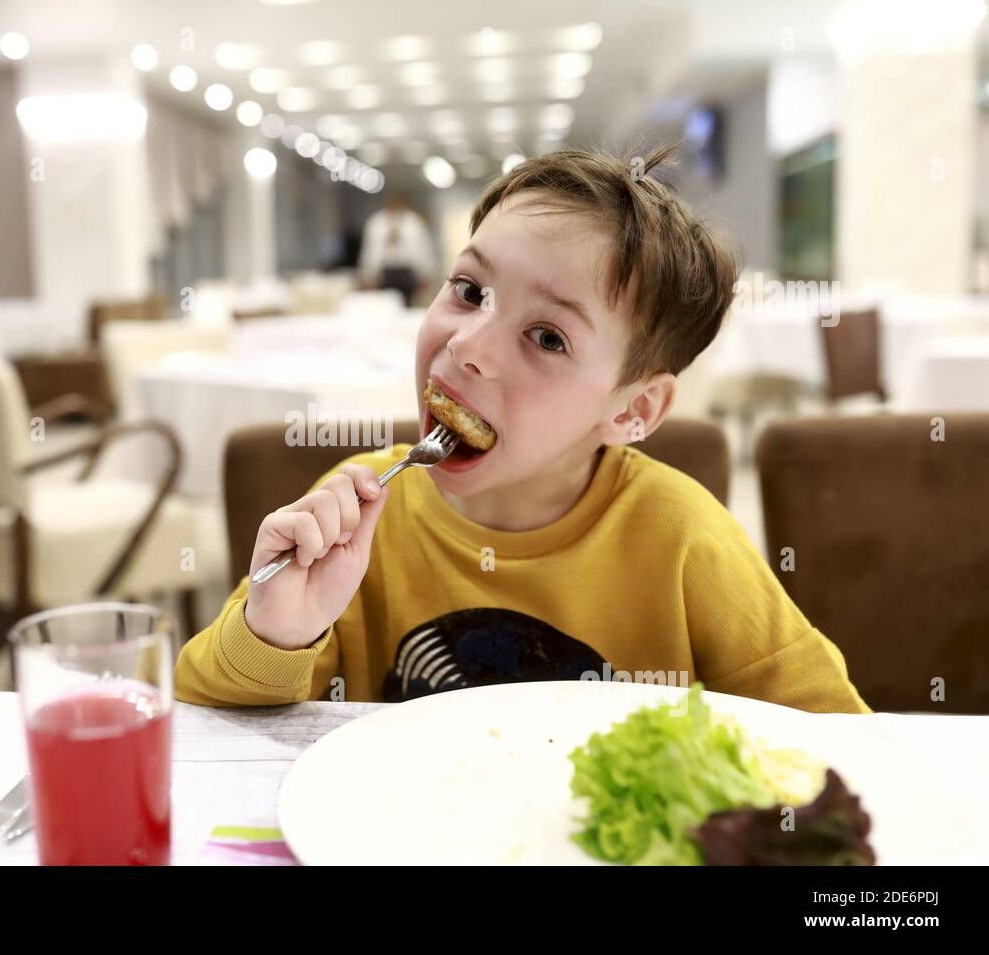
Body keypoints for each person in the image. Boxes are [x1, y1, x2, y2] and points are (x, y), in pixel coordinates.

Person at [176, 144, 869, 714]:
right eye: (471, 291)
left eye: (546, 336)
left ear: (632, 411)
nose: (470, 345)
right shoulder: (357, 517)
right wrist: (279, 632)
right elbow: (212, 717)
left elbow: (837, 738)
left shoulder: (684, 538)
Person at [356, 193, 436, 307]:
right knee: (385, 304)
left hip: (407, 271)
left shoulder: (414, 222)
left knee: (407, 304)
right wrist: (367, 274)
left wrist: (426, 274)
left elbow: (423, 249)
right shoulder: (376, 222)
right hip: (385, 272)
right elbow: (370, 250)